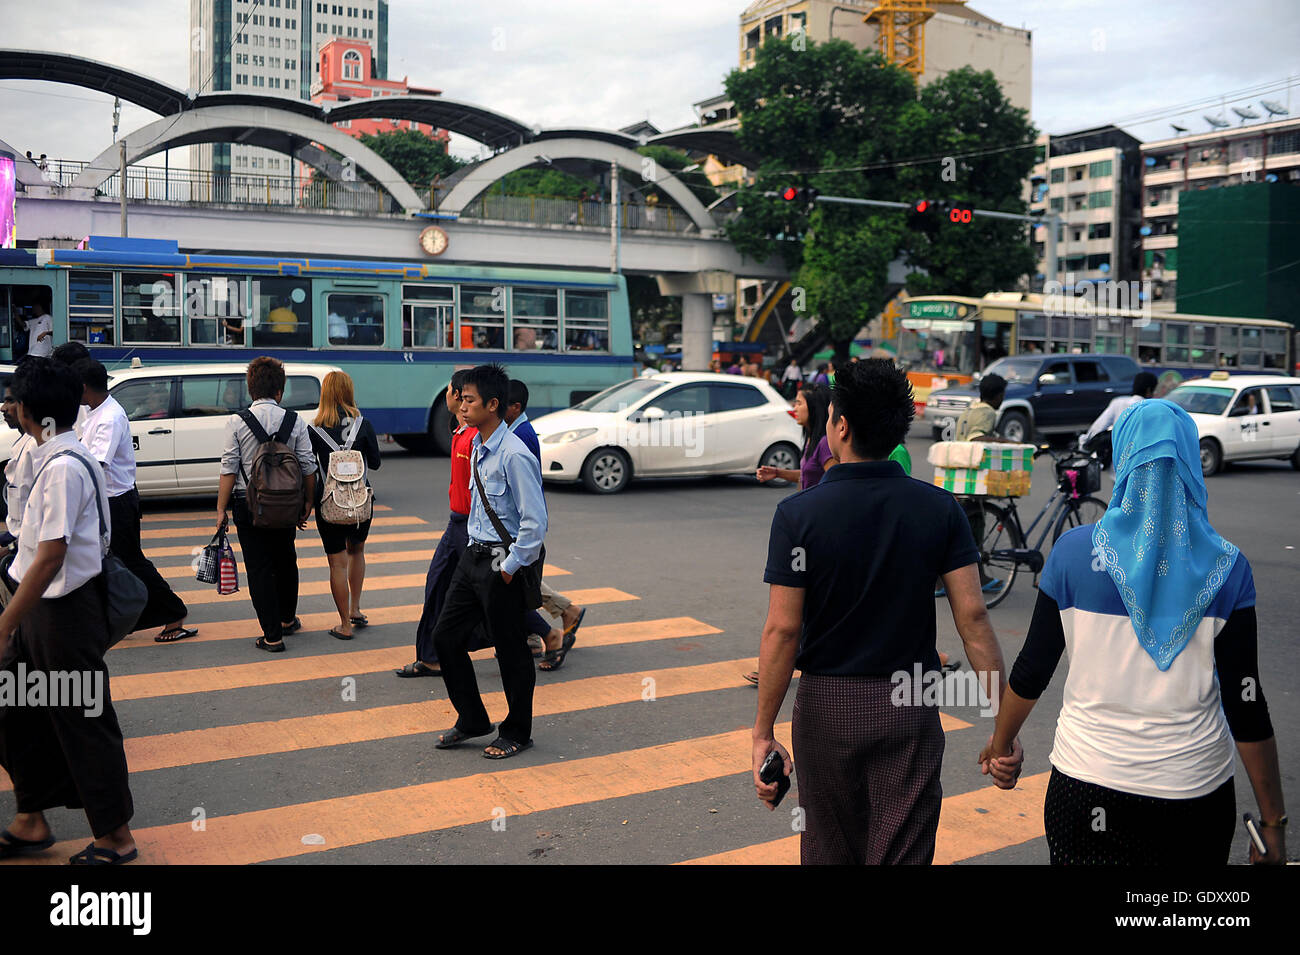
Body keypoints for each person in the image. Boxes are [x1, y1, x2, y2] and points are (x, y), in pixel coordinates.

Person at [980, 400, 1287, 865]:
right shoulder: (1227, 568)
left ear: (1124, 458)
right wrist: (1272, 824)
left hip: (1085, 789)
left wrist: (1001, 747)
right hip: (1192, 797)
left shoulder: (1072, 553)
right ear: (1188, 463)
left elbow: (1032, 670)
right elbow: (1246, 706)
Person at [752, 359, 1015, 864]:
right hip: (910, 704)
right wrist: (1004, 729)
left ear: (841, 427)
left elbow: (783, 630)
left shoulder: (798, 515)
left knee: (828, 847)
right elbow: (974, 620)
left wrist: (764, 732)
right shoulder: (939, 509)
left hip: (826, 706)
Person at [0, 358, 138, 864]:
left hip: (61, 614)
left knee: (83, 719)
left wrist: (5, 623)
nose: (8, 406)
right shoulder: (48, 454)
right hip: (38, 610)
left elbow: (51, 554)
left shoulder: (62, 466)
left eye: (13, 398)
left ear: (33, 410)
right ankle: (31, 818)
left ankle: (115, 837)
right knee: (17, 711)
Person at [431, 363, 547, 760]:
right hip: (473, 554)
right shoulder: (477, 442)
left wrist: (511, 568)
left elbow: (535, 523)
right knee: (445, 637)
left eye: (469, 400)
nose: (461, 406)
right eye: (461, 398)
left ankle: (517, 731)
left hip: (502, 561)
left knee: (510, 649)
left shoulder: (514, 454)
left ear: (493, 405)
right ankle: (473, 719)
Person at [74, 358, 195, 643]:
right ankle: (123, 616)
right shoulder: (93, 411)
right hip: (104, 501)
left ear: (82, 387)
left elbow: (96, 464)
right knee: (106, 564)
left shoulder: (109, 417)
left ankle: (173, 613)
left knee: (131, 562)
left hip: (116, 501)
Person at [215, 357, 317, 653]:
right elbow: (307, 465)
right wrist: (307, 501)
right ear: (280, 392)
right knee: (286, 559)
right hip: (286, 504)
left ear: (250, 390)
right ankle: (286, 619)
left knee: (259, 568)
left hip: (248, 504)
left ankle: (272, 636)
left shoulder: (236, 422)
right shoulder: (295, 421)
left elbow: (229, 468)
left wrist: (221, 509)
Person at [398, 371, 489, 678]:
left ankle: (540, 632)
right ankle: (431, 656)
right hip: (456, 524)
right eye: (459, 396)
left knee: (487, 593)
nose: (457, 401)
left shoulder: (476, 439)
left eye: (463, 397)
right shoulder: (460, 434)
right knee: (437, 584)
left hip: (471, 529)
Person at [504, 378, 584, 671]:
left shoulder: (520, 435)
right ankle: (564, 612)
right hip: (516, 523)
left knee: (520, 583)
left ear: (514, 407)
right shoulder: (515, 429)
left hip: (521, 524)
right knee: (523, 581)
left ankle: (544, 636)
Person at [308, 371, 382, 641]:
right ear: (349, 392)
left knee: (336, 563)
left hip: (329, 504)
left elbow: (308, 467)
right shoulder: (363, 424)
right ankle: (355, 608)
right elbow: (374, 463)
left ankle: (344, 625)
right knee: (357, 551)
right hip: (361, 504)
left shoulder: (314, 428)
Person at [940, 373, 1014, 597]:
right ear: (999, 395)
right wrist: (1007, 443)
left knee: (960, 528)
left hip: (960, 476)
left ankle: (944, 579)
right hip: (974, 477)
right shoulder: (988, 412)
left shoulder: (971, 409)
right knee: (975, 528)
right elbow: (977, 438)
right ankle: (978, 577)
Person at [1080, 371, 1158, 457]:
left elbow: (1098, 427)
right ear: (1149, 390)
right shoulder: (1153, 408)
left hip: (1116, 460)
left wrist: (1084, 442)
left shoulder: (1118, 403)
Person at [24, 290, 53, 359]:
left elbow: (55, 332)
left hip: (44, 353)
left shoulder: (48, 317)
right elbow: (23, 325)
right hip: (32, 352)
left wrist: (45, 333)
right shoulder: (33, 321)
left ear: (40, 307)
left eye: (35, 307)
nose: (34, 309)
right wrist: (15, 312)